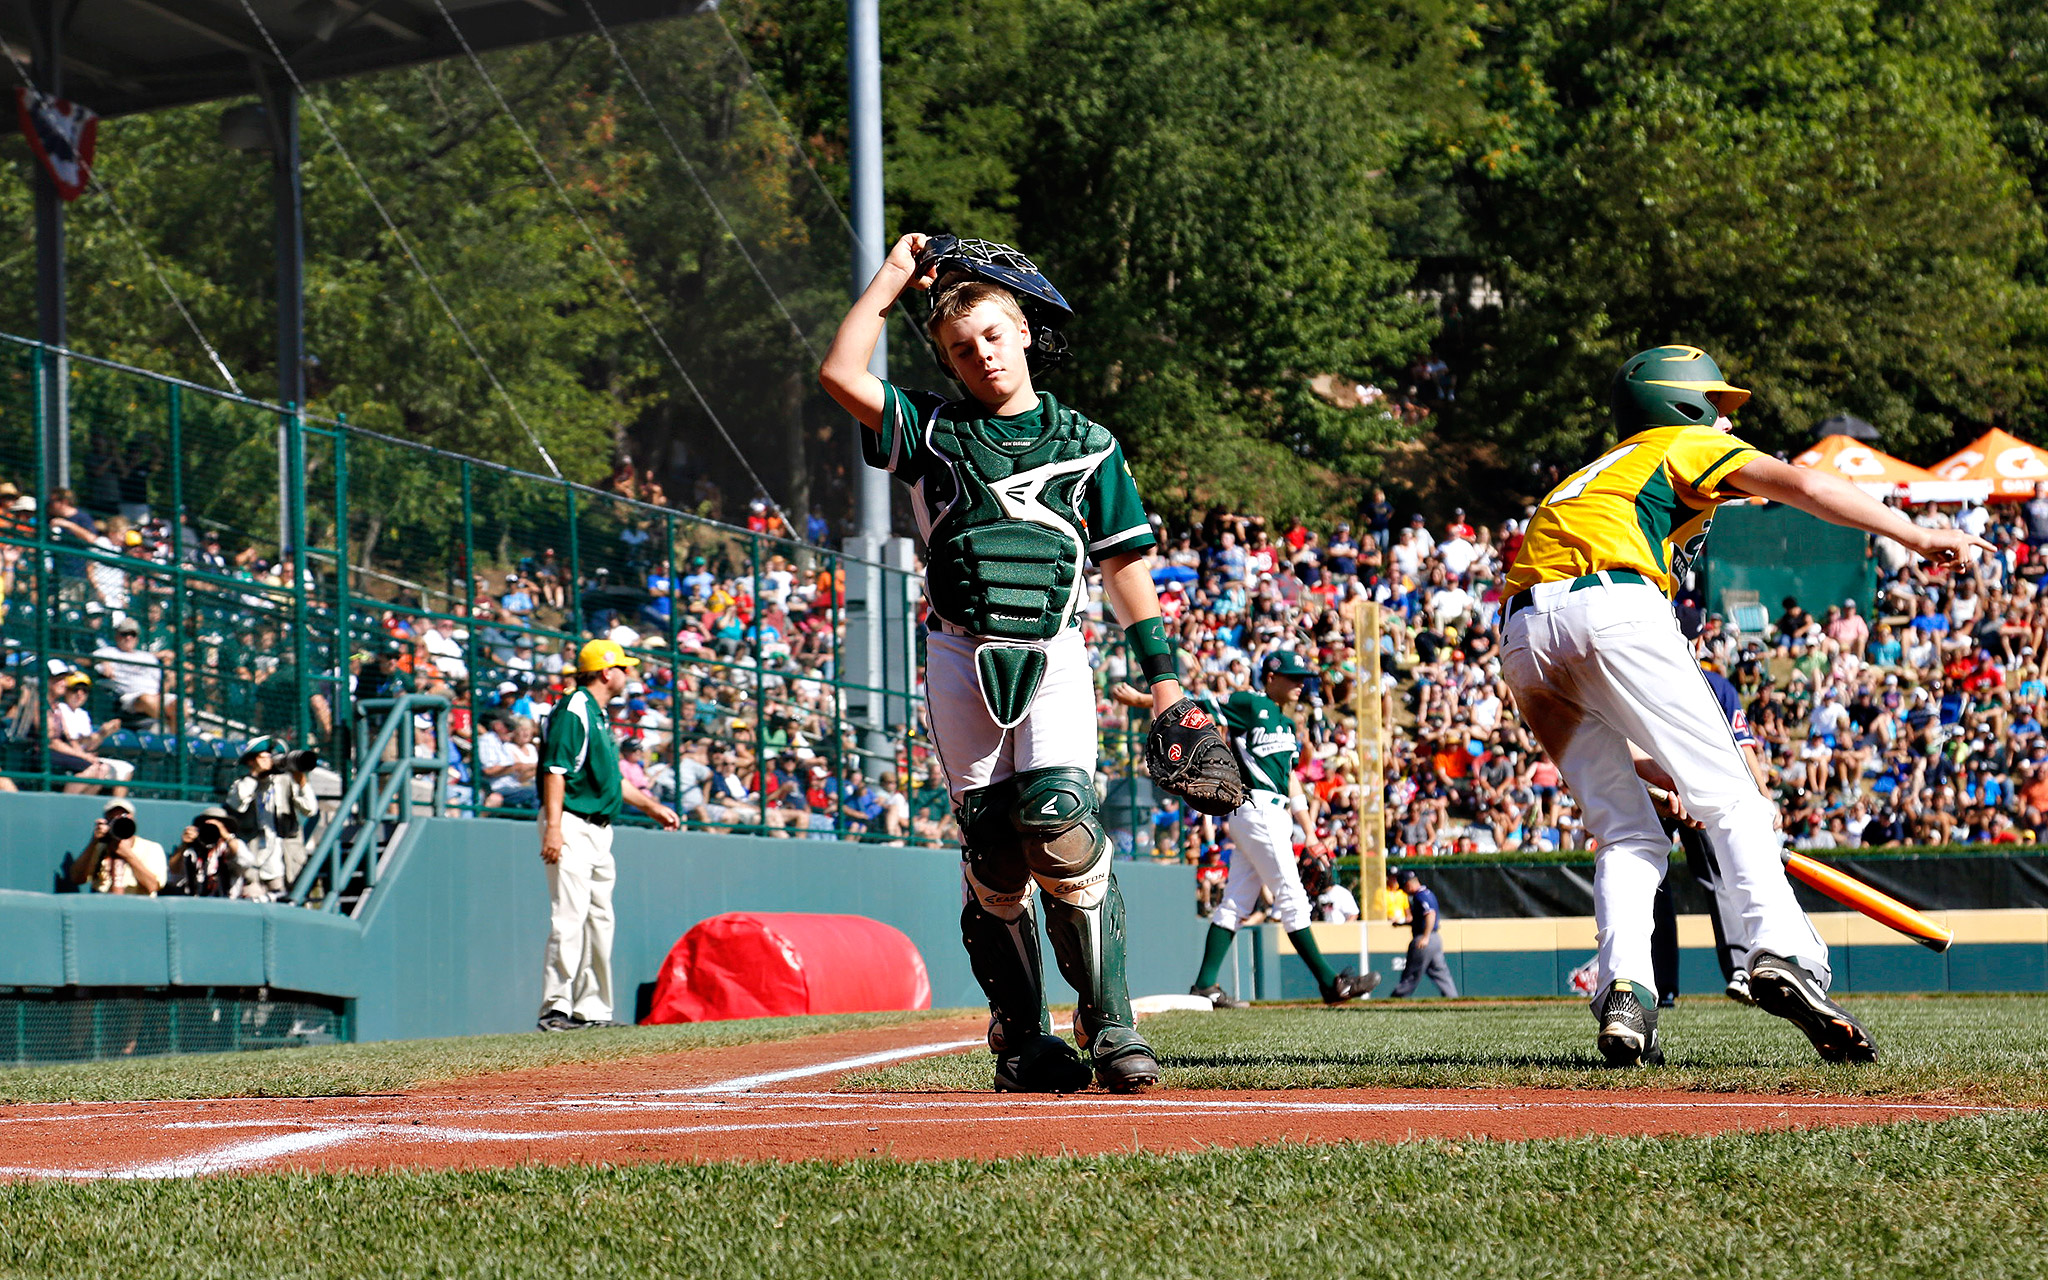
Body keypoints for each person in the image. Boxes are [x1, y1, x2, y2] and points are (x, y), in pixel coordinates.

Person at [1498, 344, 1987, 1066]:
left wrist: (1653, 764)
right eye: (1718, 406)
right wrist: (1913, 533)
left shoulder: (1586, 479)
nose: (1728, 423)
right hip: (1616, 605)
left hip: (1522, 633)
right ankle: (1780, 952)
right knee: (1736, 801)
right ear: (1682, 403)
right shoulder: (1681, 443)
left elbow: (1561, 638)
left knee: (1625, 833)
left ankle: (1625, 993)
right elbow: (1800, 485)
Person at [821, 232, 1172, 1093]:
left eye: (990, 335)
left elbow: (1125, 564)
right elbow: (840, 374)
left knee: (1063, 828)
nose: (979, 354)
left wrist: (1161, 673)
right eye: (958, 347)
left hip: (1050, 653)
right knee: (993, 855)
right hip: (956, 652)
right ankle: (1020, 1037)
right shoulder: (934, 431)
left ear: (1023, 334)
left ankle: (1110, 1020)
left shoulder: (1088, 442)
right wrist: (893, 278)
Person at [1121, 651, 1375, 1007]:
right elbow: (1193, 706)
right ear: (1270, 677)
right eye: (1292, 676)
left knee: (1236, 903)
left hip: (1274, 813)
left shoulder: (1286, 725)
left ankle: (1206, 985)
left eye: (1302, 678)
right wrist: (1142, 699)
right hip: (1256, 809)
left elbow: (1293, 784)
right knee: (1292, 898)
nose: (1300, 683)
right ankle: (1331, 983)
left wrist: (1311, 834)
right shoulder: (1248, 703)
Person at [536, 639, 679, 1032]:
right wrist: (553, 827)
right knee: (569, 917)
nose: (627, 675)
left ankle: (592, 1009)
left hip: (599, 828)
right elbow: (555, 770)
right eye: (624, 668)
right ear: (606, 672)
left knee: (599, 919)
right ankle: (555, 1009)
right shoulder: (574, 709)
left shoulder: (597, 713)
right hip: (571, 822)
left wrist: (651, 807)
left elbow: (612, 779)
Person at [224, 736, 319, 900]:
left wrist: (302, 782)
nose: (270, 760)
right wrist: (255, 775)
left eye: (271, 756)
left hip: (284, 866)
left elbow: (310, 809)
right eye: (263, 756)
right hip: (254, 868)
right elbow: (239, 803)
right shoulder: (243, 784)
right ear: (250, 761)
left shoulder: (284, 782)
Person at [67, 798, 166, 895]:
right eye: (113, 819)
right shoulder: (98, 847)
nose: (120, 822)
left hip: (138, 905)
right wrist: (94, 842)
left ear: (133, 819)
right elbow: (77, 878)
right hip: (103, 904)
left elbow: (152, 886)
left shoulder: (151, 848)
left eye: (124, 817)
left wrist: (127, 854)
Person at [1386, 867, 1457, 998]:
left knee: (1411, 975)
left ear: (1408, 884)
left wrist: (1425, 937)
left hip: (1425, 939)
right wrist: (1403, 924)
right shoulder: (1428, 893)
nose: (1405, 892)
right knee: (1441, 974)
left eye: (1404, 887)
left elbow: (1430, 914)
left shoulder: (1420, 896)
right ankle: (1453, 999)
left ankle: (1397, 999)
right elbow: (1420, 919)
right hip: (1435, 939)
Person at [93, 617, 176, 727]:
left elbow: (162, 682)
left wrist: (168, 681)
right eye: (124, 634)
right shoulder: (108, 652)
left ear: (137, 638)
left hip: (156, 696)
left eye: (132, 634)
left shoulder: (148, 657)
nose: (128, 638)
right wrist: (104, 661)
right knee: (146, 699)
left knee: (180, 704)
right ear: (117, 636)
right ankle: (166, 725)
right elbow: (83, 659)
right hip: (131, 698)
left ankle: (173, 738)